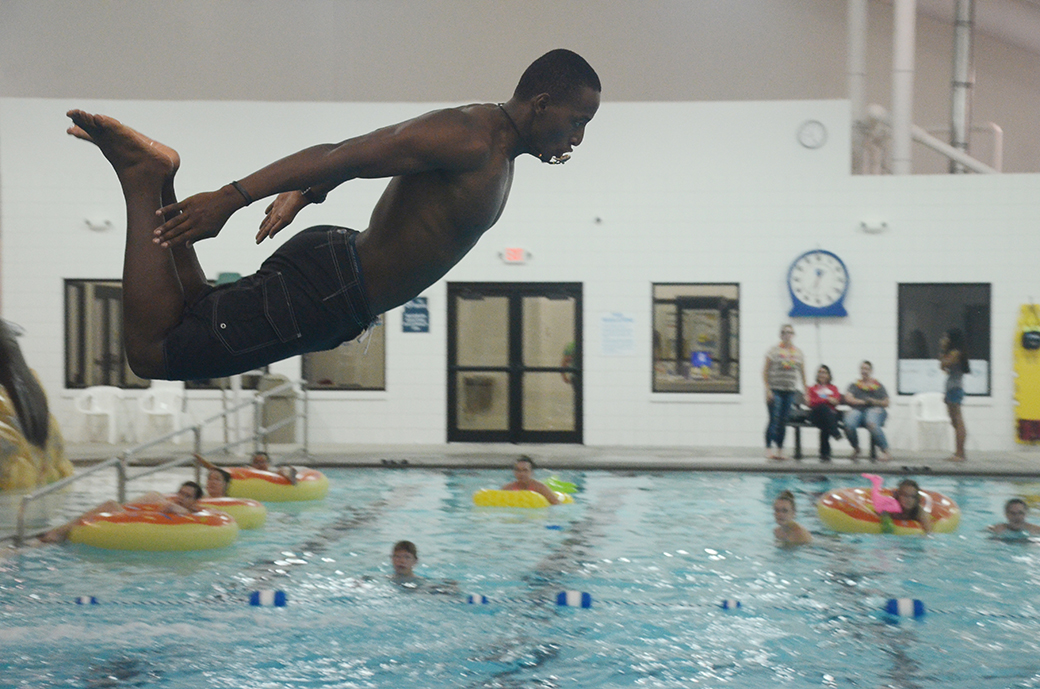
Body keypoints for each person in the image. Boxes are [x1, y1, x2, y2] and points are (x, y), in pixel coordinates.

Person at [65, 50, 601, 382]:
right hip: (332, 289)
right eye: (577, 121)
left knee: (197, 307)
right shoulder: (471, 137)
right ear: (542, 102)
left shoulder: (496, 150)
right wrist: (232, 197)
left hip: (337, 287)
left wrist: (308, 193)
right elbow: (344, 151)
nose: (576, 138)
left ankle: (159, 180)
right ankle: (142, 179)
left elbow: (356, 166)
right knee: (152, 353)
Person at [40, 481, 204, 543]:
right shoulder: (169, 502)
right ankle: (61, 531)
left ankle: (59, 533)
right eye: (180, 493)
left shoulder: (188, 513)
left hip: (138, 526)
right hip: (137, 519)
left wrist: (171, 505)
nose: (181, 497)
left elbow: (172, 508)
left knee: (110, 505)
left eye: (187, 496)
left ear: (195, 502)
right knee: (152, 494)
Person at [762, 325, 806, 460]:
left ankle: (780, 450)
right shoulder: (773, 351)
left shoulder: (798, 353)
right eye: (785, 332)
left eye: (790, 332)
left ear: (793, 335)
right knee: (773, 419)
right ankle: (769, 449)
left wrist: (806, 391)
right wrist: (768, 389)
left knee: (783, 421)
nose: (787, 335)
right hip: (775, 390)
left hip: (790, 391)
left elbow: (802, 373)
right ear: (780, 335)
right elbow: (765, 371)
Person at [843, 360, 892, 462]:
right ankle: (856, 448)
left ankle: (885, 451)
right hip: (858, 410)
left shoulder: (878, 386)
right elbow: (848, 398)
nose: (864, 371)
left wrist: (874, 402)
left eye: (866, 369)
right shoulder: (854, 385)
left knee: (871, 422)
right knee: (848, 424)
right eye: (862, 369)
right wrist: (863, 402)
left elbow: (886, 402)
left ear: (871, 371)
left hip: (874, 409)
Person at [940, 329, 969, 462]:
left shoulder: (955, 352)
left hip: (955, 389)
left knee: (958, 421)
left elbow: (944, 364)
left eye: (946, 337)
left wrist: (942, 349)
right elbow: (942, 367)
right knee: (954, 421)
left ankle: (960, 453)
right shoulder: (953, 352)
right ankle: (958, 452)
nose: (944, 339)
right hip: (951, 388)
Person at [807, 364, 842, 463]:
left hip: (829, 417)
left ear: (829, 375)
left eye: (824, 372)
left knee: (826, 422)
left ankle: (824, 453)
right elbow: (811, 402)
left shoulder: (833, 388)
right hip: (816, 414)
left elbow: (836, 401)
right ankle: (835, 432)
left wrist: (822, 399)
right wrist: (827, 399)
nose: (822, 375)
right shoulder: (812, 388)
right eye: (820, 372)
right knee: (823, 409)